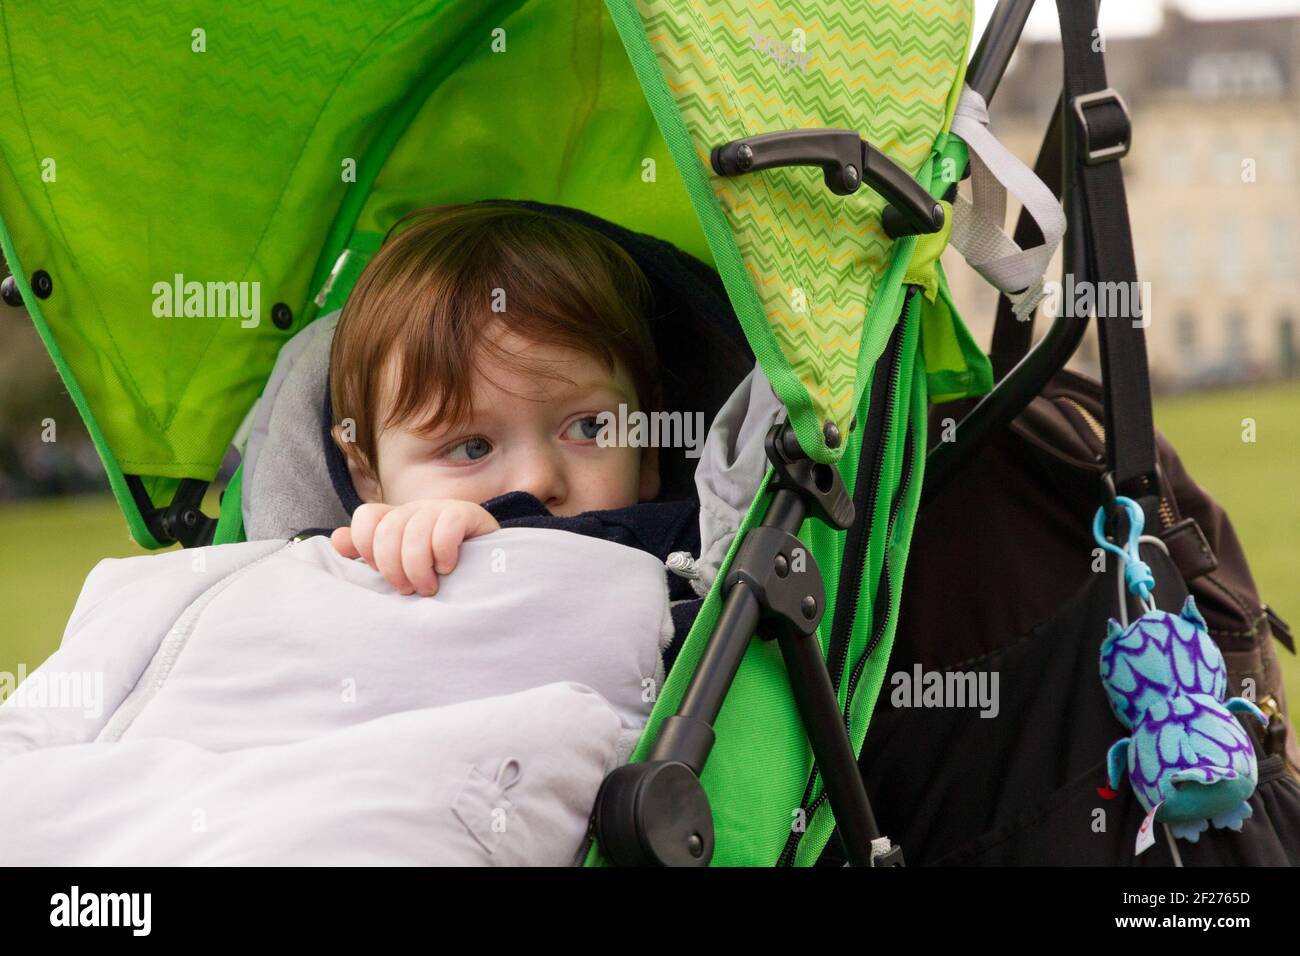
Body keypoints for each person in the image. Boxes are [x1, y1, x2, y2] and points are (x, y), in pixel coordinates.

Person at [326, 201, 685, 598]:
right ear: (368, 475)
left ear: (648, 449)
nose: (535, 481)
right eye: (471, 448)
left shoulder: (698, 562)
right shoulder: (333, 583)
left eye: (589, 427)